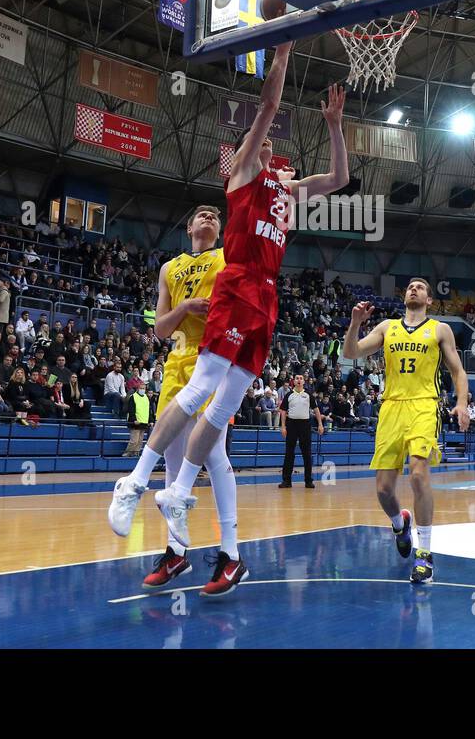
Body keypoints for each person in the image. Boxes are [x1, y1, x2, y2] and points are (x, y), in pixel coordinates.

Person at [108, 51, 348, 599]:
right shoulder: (242, 176)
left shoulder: (287, 195)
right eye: (268, 150)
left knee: (221, 409)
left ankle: (184, 507)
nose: (276, 160)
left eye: (279, 157)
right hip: (239, 289)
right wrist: (282, 52)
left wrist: (333, 126)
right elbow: (268, 104)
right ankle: (139, 483)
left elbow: (339, 177)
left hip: (266, 300)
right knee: (199, 395)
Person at [134, 206, 239, 592]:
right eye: (201, 214)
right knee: (173, 460)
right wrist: (184, 308)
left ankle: (232, 553)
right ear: (190, 225)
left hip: (212, 357)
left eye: (215, 214)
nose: (209, 217)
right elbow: (161, 329)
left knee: (212, 455)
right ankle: (177, 551)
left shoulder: (228, 256)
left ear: (219, 229)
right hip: (177, 362)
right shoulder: (169, 268)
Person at [343, 278, 469, 584]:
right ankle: (400, 524)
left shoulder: (439, 329)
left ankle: (424, 555)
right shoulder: (387, 327)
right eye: (410, 286)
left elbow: (457, 370)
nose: (414, 289)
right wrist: (355, 323)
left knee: (417, 474)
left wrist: (462, 403)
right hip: (391, 407)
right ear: (405, 297)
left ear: (428, 300)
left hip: (424, 404)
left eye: (421, 287)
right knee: (384, 490)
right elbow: (352, 353)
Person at [278, 373, 323, 488]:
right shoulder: (289, 395)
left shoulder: (308, 395)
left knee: (307, 454)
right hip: (292, 425)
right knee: (289, 453)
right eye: (297, 378)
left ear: (304, 381)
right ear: (294, 381)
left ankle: (308, 481)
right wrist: (283, 426)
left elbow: (316, 409)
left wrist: (320, 424)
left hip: (305, 425)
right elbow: (283, 411)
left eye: (301, 378)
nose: (299, 380)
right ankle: (286, 481)